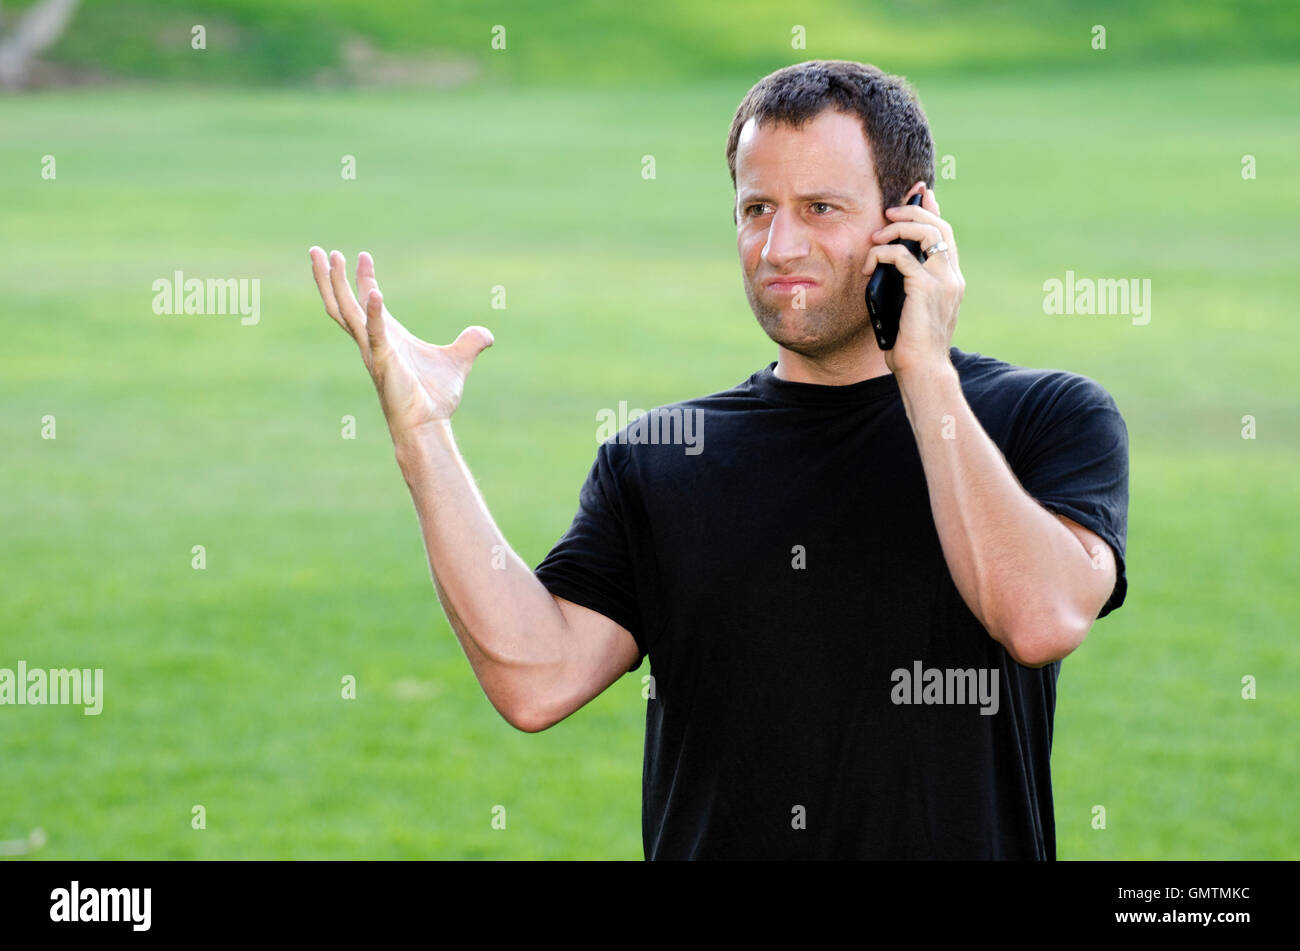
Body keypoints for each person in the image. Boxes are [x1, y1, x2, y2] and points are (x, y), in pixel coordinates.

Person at [307, 59, 1129, 860]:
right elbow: (536, 677)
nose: (778, 247)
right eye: (757, 208)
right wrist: (423, 433)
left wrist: (922, 368)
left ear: (912, 220)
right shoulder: (662, 460)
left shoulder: (1043, 417)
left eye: (819, 208)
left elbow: (1041, 618)